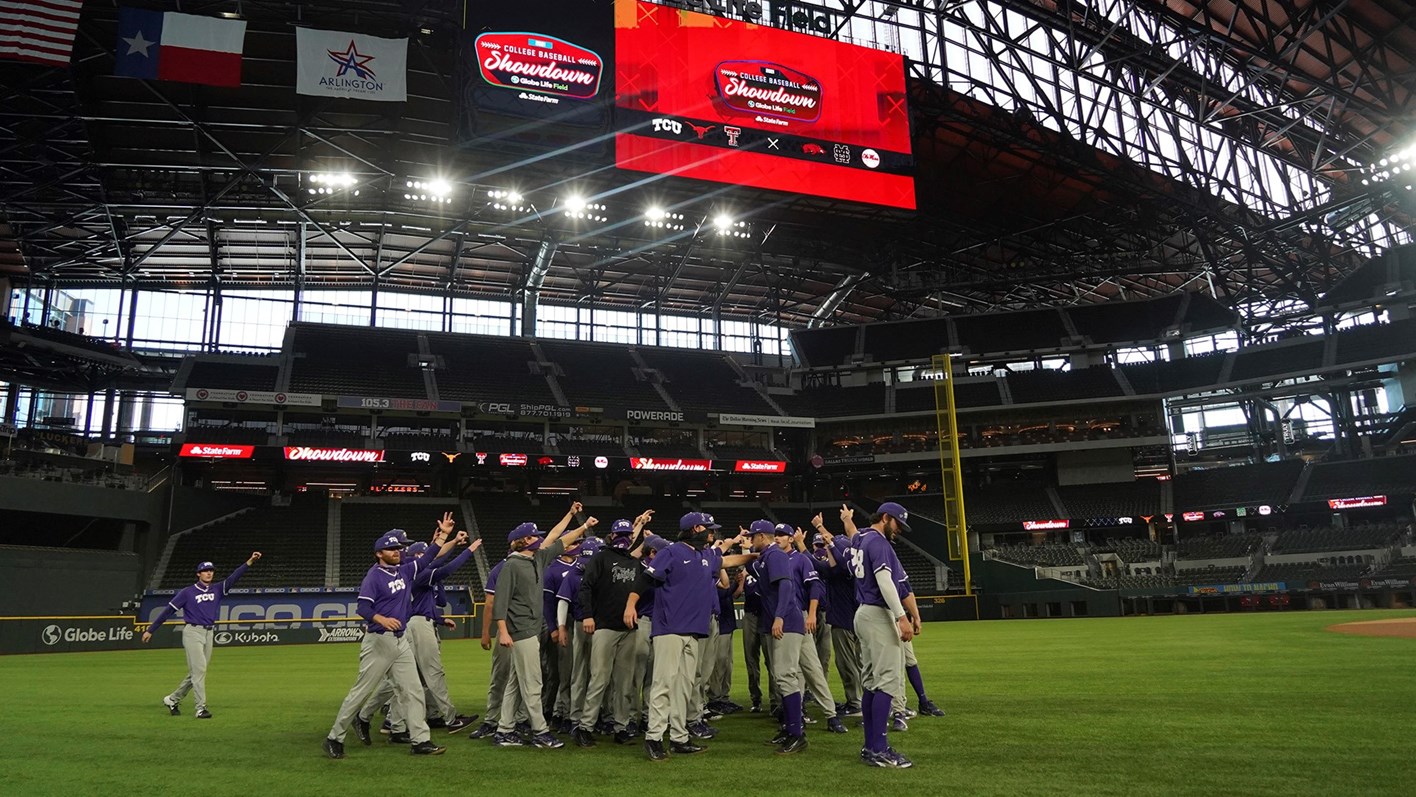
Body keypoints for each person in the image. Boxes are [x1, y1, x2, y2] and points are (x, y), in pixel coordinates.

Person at [322, 516, 467, 759]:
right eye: (391, 549)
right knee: (361, 692)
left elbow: (430, 557)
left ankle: (420, 740)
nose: (397, 551)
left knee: (413, 690)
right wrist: (381, 619)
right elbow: (363, 608)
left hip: (400, 642)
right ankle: (334, 738)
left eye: (399, 548)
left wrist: (443, 536)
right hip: (379, 641)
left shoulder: (404, 570)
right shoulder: (374, 577)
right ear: (379, 553)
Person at [626, 512, 756, 760]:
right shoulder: (671, 552)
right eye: (708, 528)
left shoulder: (705, 555)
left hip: (694, 631)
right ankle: (654, 738)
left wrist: (759, 555)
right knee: (663, 685)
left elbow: (728, 561)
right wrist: (631, 605)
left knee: (684, 687)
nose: (712, 533)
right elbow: (645, 580)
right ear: (695, 528)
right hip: (669, 629)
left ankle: (679, 737)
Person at [491, 509, 595, 749]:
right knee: (533, 682)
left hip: (532, 628)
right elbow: (500, 602)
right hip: (521, 630)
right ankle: (540, 731)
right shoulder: (511, 566)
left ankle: (504, 730)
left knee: (516, 684)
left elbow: (560, 538)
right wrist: (503, 632)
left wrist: (578, 521)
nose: (538, 538)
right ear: (523, 541)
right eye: (533, 536)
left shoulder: (537, 559)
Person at [142, 551, 262, 719]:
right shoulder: (187, 592)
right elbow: (168, 611)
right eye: (205, 571)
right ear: (198, 574)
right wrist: (150, 630)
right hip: (193, 632)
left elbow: (235, 577)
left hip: (209, 633)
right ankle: (201, 708)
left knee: (197, 672)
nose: (209, 573)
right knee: (199, 670)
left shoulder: (218, 589)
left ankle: (172, 699)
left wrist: (249, 562)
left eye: (211, 570)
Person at [574, 513, 652, 747]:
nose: (624, 539)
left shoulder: (633, 562)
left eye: (627, 535)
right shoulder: (600, 558)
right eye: (620, 535)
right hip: (604, 627)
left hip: (628, 629)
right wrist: (588, 615)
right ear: (611, 535)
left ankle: (621, 727)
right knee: (599, 678)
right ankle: (585, 727)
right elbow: (585, 587)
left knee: (624, 682)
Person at [850, 501, 916, 768]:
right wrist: (902, 616)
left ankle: (870, 746)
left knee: (871, 683)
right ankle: (879, 749)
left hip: (862, 613)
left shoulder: (860, 539)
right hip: (877, 613)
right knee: (887, 681)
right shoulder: (878, 542)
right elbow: (885, 581)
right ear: (885, 518)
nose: (898, 529)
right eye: (897, 523)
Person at [810, 511, 863, 717]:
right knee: (856, 662)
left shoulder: (844, 569)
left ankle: (856, 703)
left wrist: (822, 530)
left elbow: (833, 562)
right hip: (851, 619)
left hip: (845, 620)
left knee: (847, 663)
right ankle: (857, 700)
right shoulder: (843, 567)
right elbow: (822, 565)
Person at [556, 537, 602, 744]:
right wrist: (561, 627)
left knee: (598, 674)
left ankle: (595, 715)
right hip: (580, 625)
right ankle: (576, 717)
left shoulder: (600, 573)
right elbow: (563, 603)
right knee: (579, 674)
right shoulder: (574, 574)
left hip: (602, 627)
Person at [706, 567, 744, 715]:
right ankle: (715, 699)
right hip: (719, 625)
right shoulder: (711, 578)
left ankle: (724, 698)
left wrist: (739, 583)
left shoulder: (719, 579)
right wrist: (721, 567)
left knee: (727, 664)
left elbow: (733, 594)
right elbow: (725, 591)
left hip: (728, 624)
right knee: (719, 664)